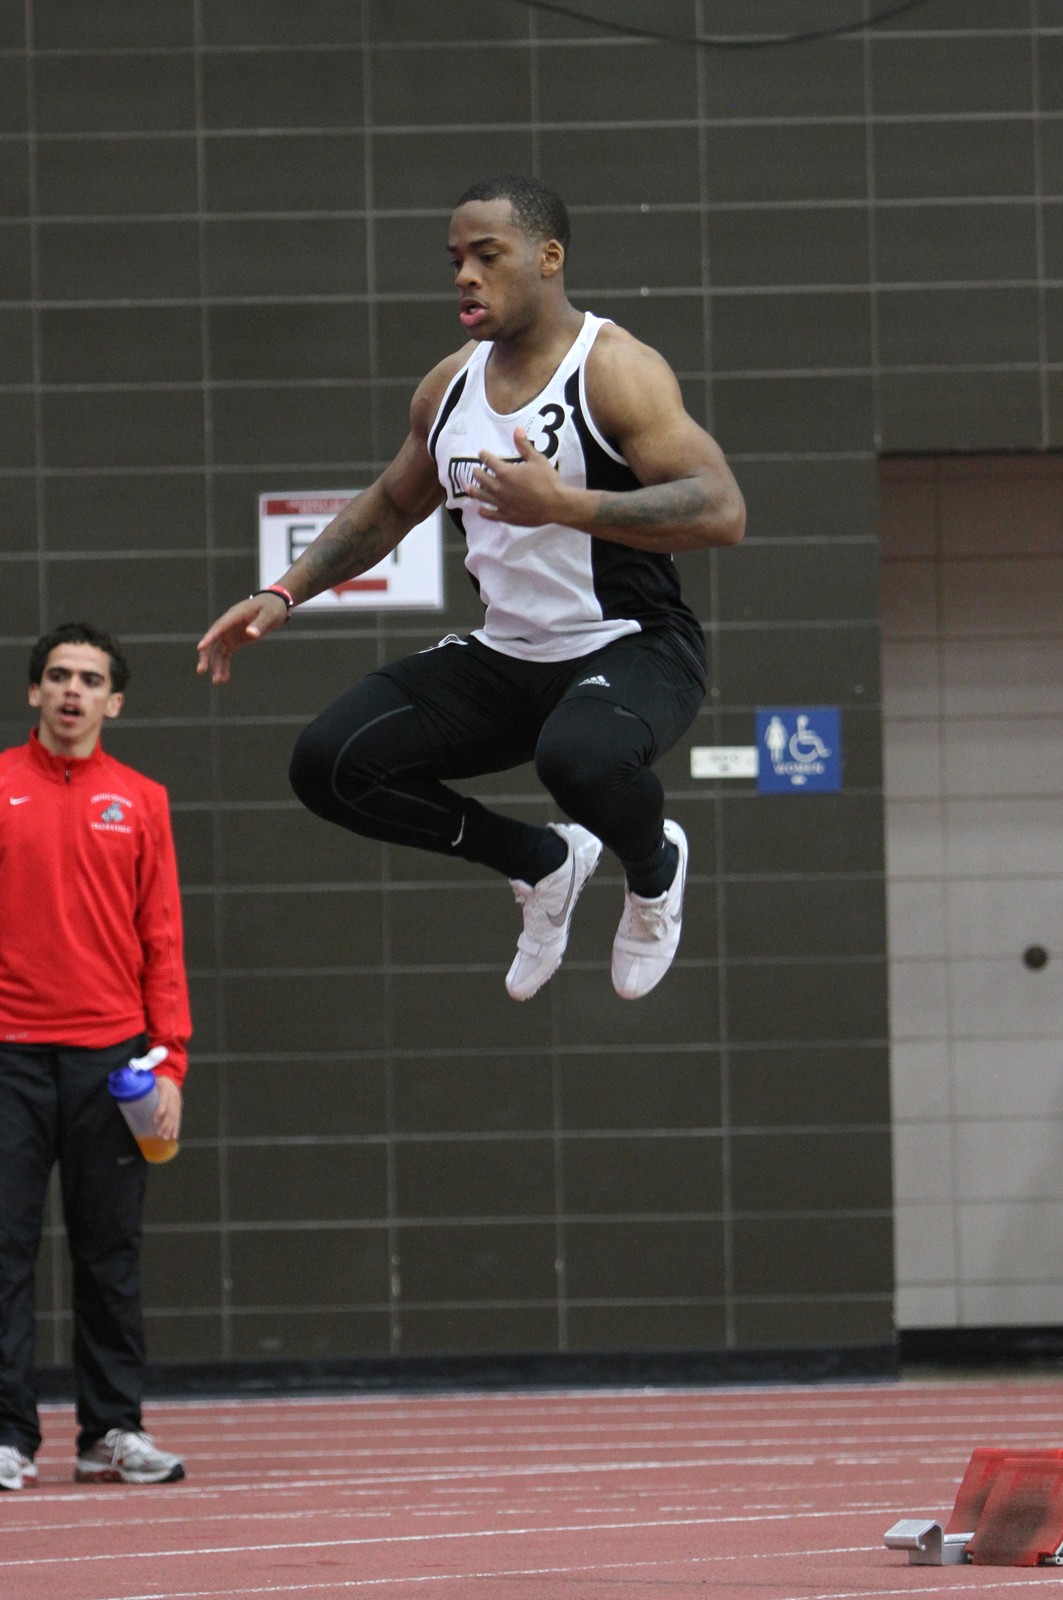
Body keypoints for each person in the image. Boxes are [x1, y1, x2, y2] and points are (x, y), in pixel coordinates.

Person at [198, 174, 745, 1002]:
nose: (464, 275)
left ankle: (652, 870)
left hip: (632, 645)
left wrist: (568, 505)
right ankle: (543, 864)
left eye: (487, 256)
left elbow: (721, 510)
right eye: (455, 259)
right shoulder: (448, 386)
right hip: (509, 657)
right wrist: (284, 592)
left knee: (580, 757)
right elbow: (391, 503)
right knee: (330, 763)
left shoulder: (616, 369)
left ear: (548, 257)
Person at [0, 623, 191, 1491]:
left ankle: (110, 1431)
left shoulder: (142, 799)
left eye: (91, 679)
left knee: (109, 1252)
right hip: (8, 1057)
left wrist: (170, 1063)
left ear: (113, 701)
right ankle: (7, 1438)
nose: (72, 691)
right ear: (34, 692)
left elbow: (162, 938)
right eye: (58, 677)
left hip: (112, 1059)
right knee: (4, 1252)